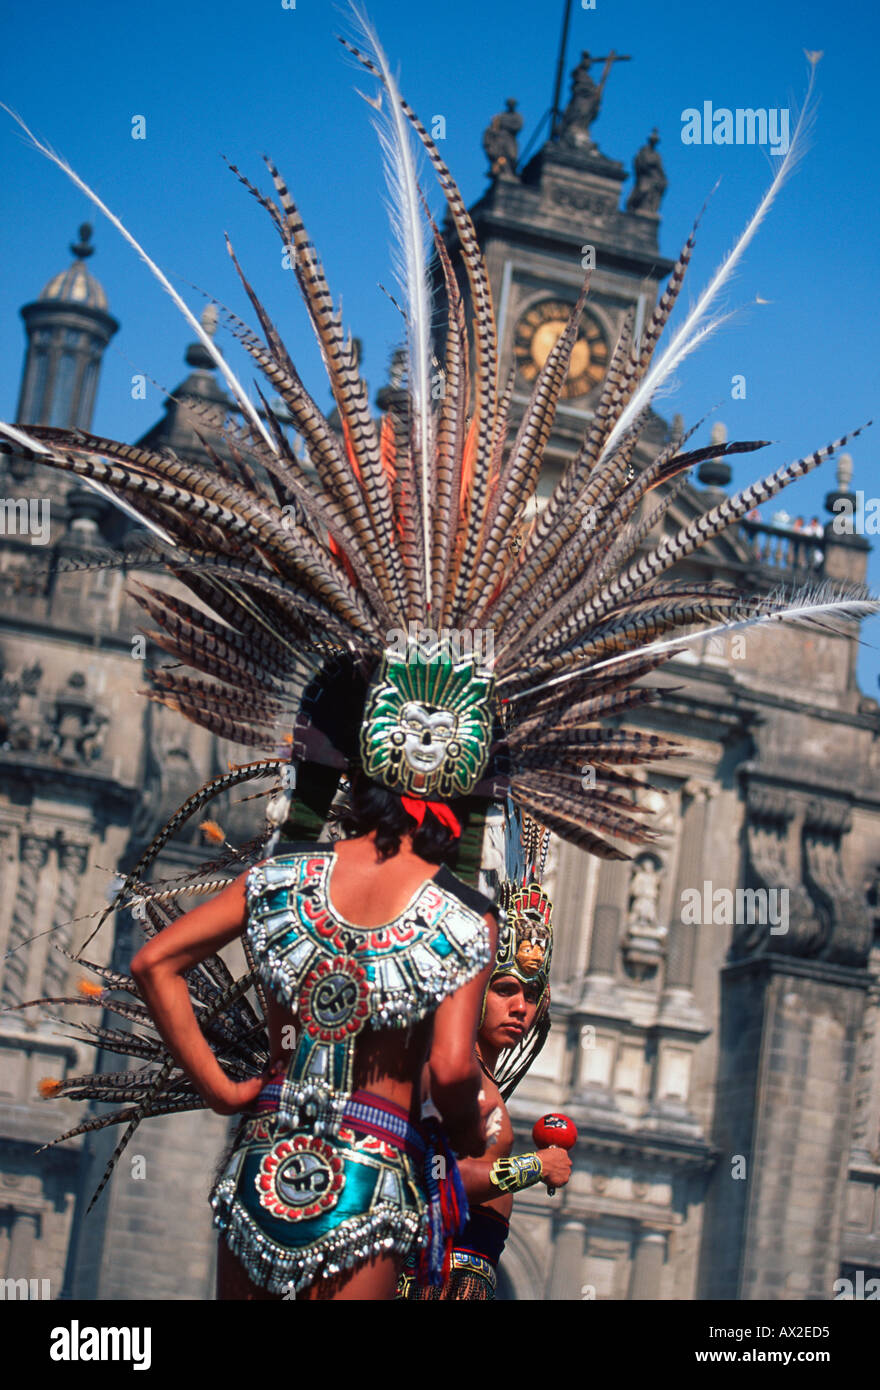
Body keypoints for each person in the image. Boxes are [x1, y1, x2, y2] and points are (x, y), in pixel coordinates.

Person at [132, 770, 497, 1300]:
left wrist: (221, 1091)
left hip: (264, 1159)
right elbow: (450, 1069)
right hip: (368, 1177)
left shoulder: (282, 873)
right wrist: (466, 1130)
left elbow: (154, 963)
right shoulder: (463, 914)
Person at [399, 838, 571, 1300]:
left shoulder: (482, 1077)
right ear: (475, 989)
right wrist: (538, 1165)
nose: (520, 1008)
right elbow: (441, 1179)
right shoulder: (455, 1072)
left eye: (532, 996)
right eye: (507, 989)